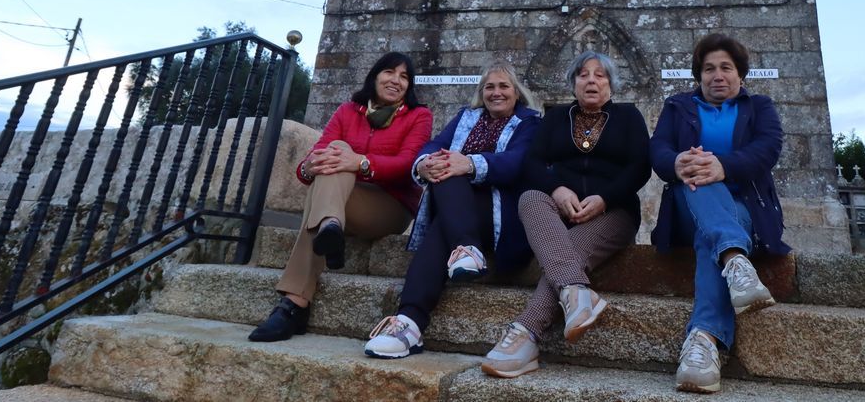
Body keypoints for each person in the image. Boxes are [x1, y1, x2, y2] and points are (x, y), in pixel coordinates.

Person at [480, 51, 651, 379]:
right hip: (559, 212)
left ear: (611, 85)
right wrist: (557, 189)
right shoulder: (557, 117)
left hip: (613, 212)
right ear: (573, 83)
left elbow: (640, 167)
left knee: (572, 244)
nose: (591, 80)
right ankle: (576, 292)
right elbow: (532, 163)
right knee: (531, 197)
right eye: (583, 74)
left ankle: (526, 333)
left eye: (600, 75)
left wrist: (605, 197)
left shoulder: (629, 117)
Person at [249, 51, 433, 342]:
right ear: (375, 76)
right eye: (389, 72)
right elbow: (314, 158)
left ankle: (293, 303)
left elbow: (408, 164)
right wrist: (308, 166)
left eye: (404, 77)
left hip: (389, 206)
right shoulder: (348, 111)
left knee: (339, 158)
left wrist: (359, 162)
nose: (396, 81)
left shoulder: (418, 116)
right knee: (333, 149)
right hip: (340, 197)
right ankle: (330, 227)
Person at [362, 63, 542, 358]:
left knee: (451, 171)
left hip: (500, 215)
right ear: (481, 93)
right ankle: (465, 251)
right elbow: (434, 145)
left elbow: (517, 162)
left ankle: (409, 323)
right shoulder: (465, 117)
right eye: (489, 87)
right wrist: (424, 163)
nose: (496, 92)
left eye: (503, 86)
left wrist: (468, 164)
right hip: (456, 210)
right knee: (444, 167)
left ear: (516, 92)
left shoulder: (530, 122)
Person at [649, 33, 789, 394]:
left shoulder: (760, 107)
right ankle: (735, 261)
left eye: (726, 67)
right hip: (687, 204)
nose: (717, 75)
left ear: (740, 74)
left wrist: (722, 166)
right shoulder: (678, 106)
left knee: (710, 231)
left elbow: (768, 149)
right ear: (699, 76)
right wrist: (678, 162)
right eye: (709, 68)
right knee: (696, 170)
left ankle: (704, 342)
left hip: (747, 212)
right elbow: (659, 149)